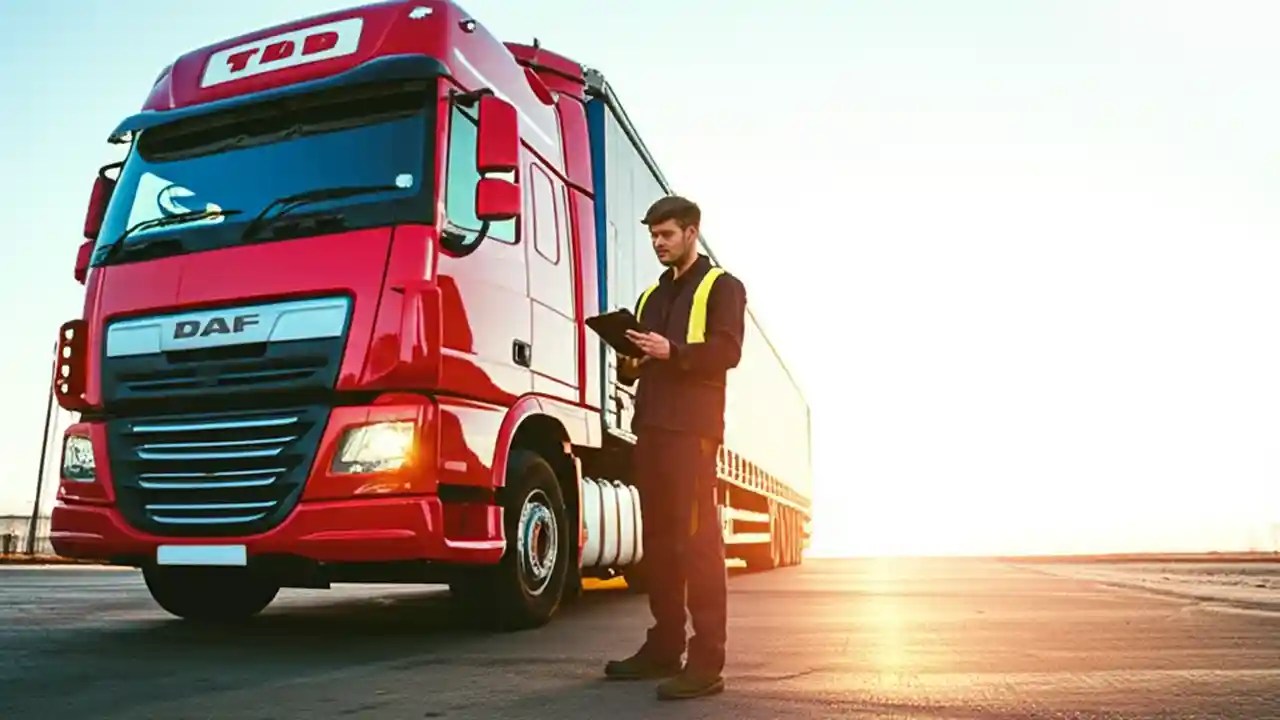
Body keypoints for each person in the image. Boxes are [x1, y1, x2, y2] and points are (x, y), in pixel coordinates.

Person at [603, 195, 747, 701]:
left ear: (691, 232)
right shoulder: (649, 297)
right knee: (660, 546)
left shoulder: (722, 286)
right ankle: (664, 648)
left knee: (698, 545)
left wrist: (674, 351)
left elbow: (728, 351)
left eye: (666, 235)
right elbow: (635, 369)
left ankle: (707, 662)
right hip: (653, 429)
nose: (658, 244)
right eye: (653, 236)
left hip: (693, 433)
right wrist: (630, 359)